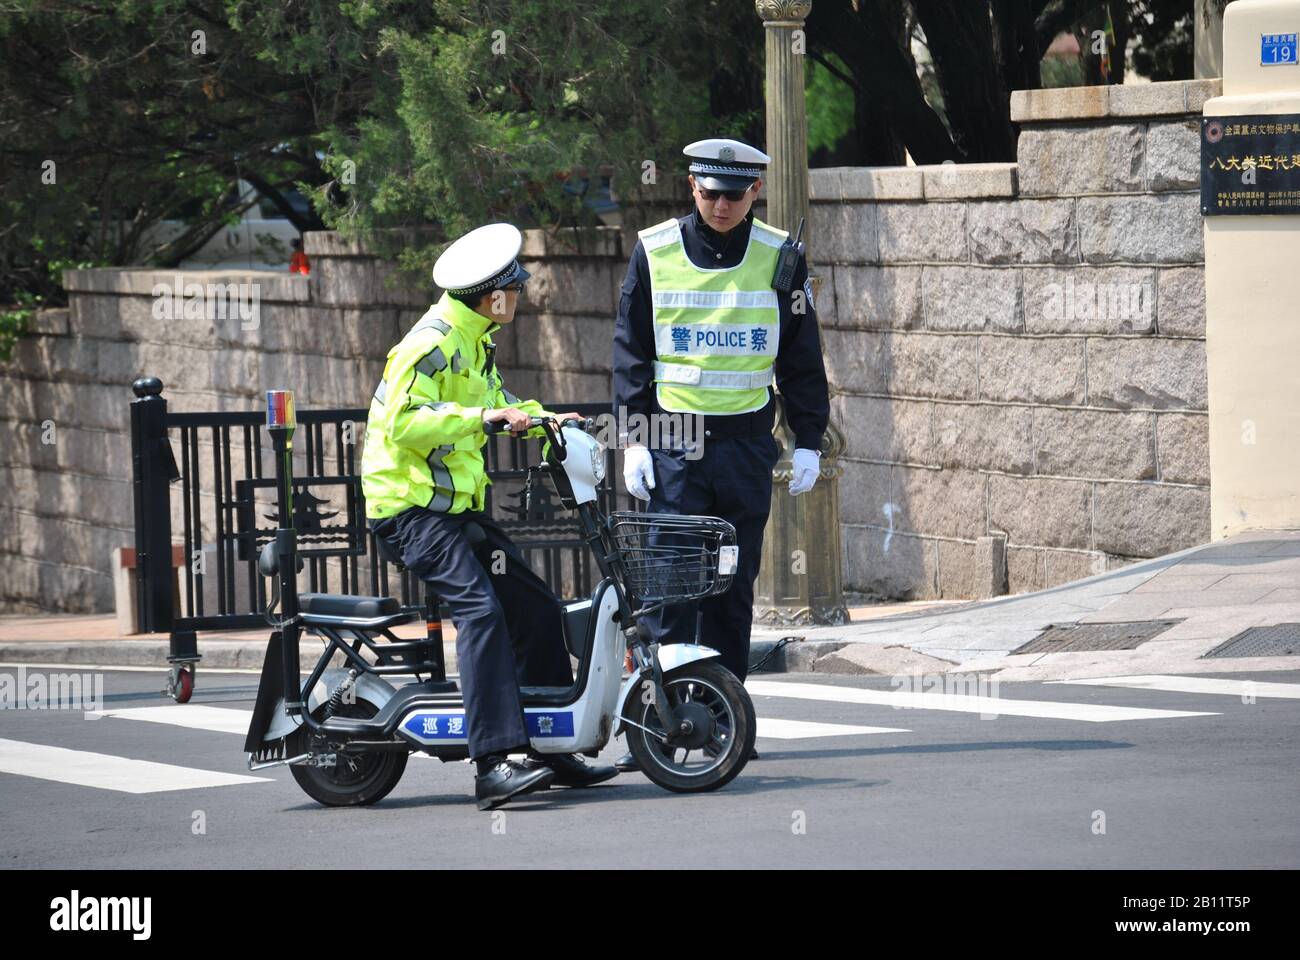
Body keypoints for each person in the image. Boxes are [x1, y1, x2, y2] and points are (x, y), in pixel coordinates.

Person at [362, 222, 618, 810]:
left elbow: (496, 404)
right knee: (480, 611)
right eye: (515, 289)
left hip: (452, 513)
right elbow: (404, 422)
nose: (521, 297)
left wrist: (546, 417)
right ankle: (492, 762)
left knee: (534, 606)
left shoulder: (474, 340)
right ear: (492, 295)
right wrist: (481, 421)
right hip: (410, 513)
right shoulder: (430, 343)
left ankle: (549, 750)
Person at [612, 139, 830, 771]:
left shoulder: (779, 256)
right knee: (671, 587)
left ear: (753, 193)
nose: (722, 205)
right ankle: (654, 726)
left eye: (735, 195)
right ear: (691, 187)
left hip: (743, 441)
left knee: (732, 587)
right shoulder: (654, 251)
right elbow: (631, 352)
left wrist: (809, 438)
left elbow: (800, 354)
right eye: (711, 193)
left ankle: (727, 724)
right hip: (675, 439)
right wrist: (633, 438)